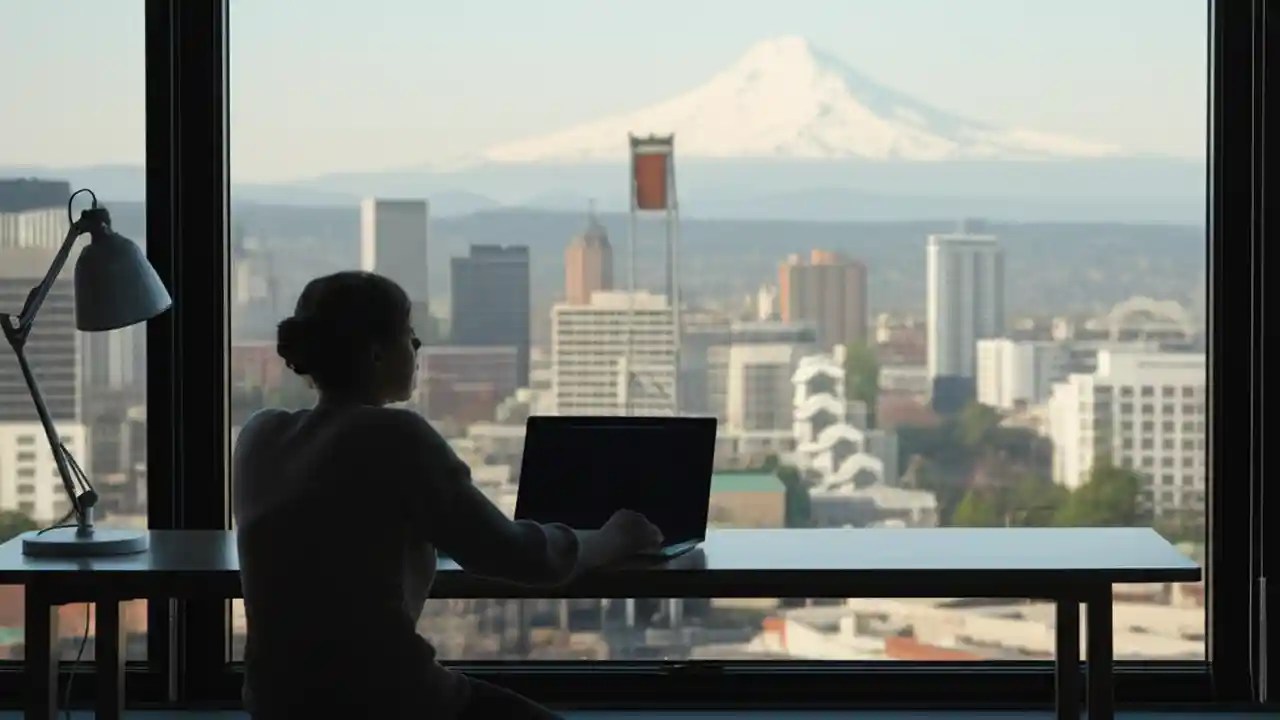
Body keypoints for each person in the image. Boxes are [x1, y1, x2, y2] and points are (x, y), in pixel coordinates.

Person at [233, 271, 664, 719]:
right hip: (384, 701)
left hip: (275, 704)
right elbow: (520, 557)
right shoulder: (395, 437)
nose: (417, 348)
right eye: (409, 334)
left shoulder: (258, 435)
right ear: (377, 353)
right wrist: (616, 537)